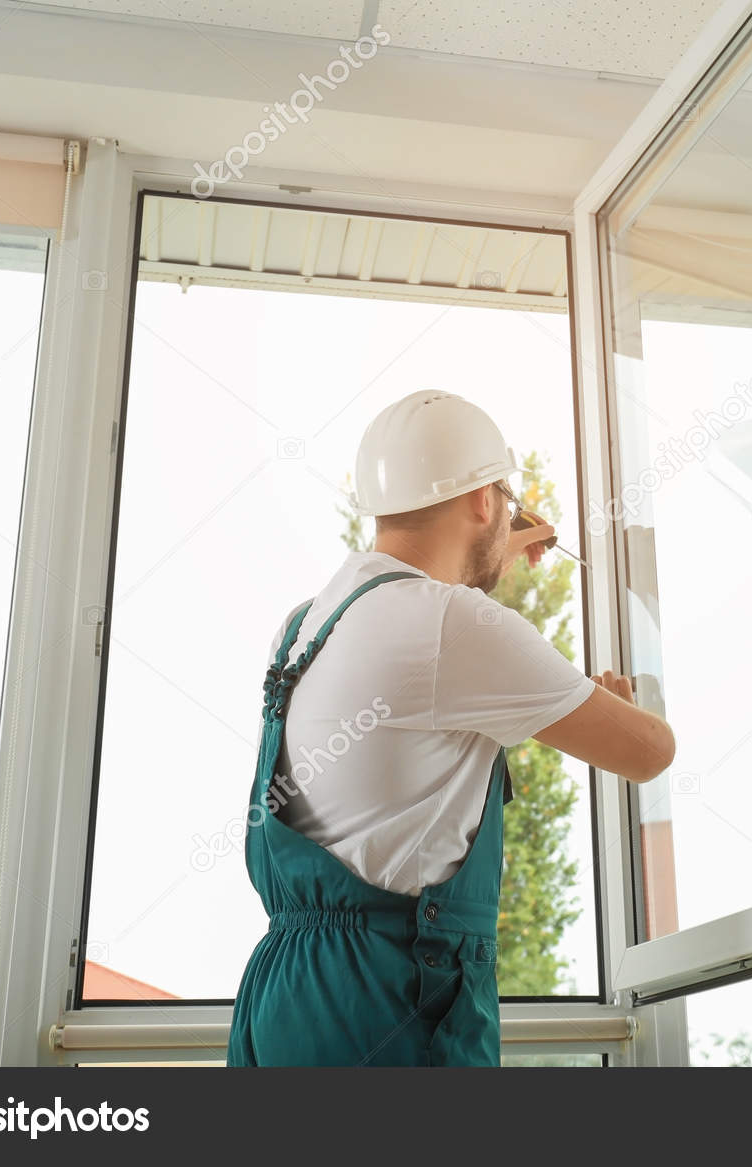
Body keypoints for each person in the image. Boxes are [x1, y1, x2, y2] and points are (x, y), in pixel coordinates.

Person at [227, 389, 675, 1066]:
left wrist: (492, 556)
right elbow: (649, 752)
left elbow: (430, 648)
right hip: (388, 1004)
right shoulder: (454, 626)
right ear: (482, 501)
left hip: (281, 1001)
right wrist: (621, 699)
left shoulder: (302, 625)